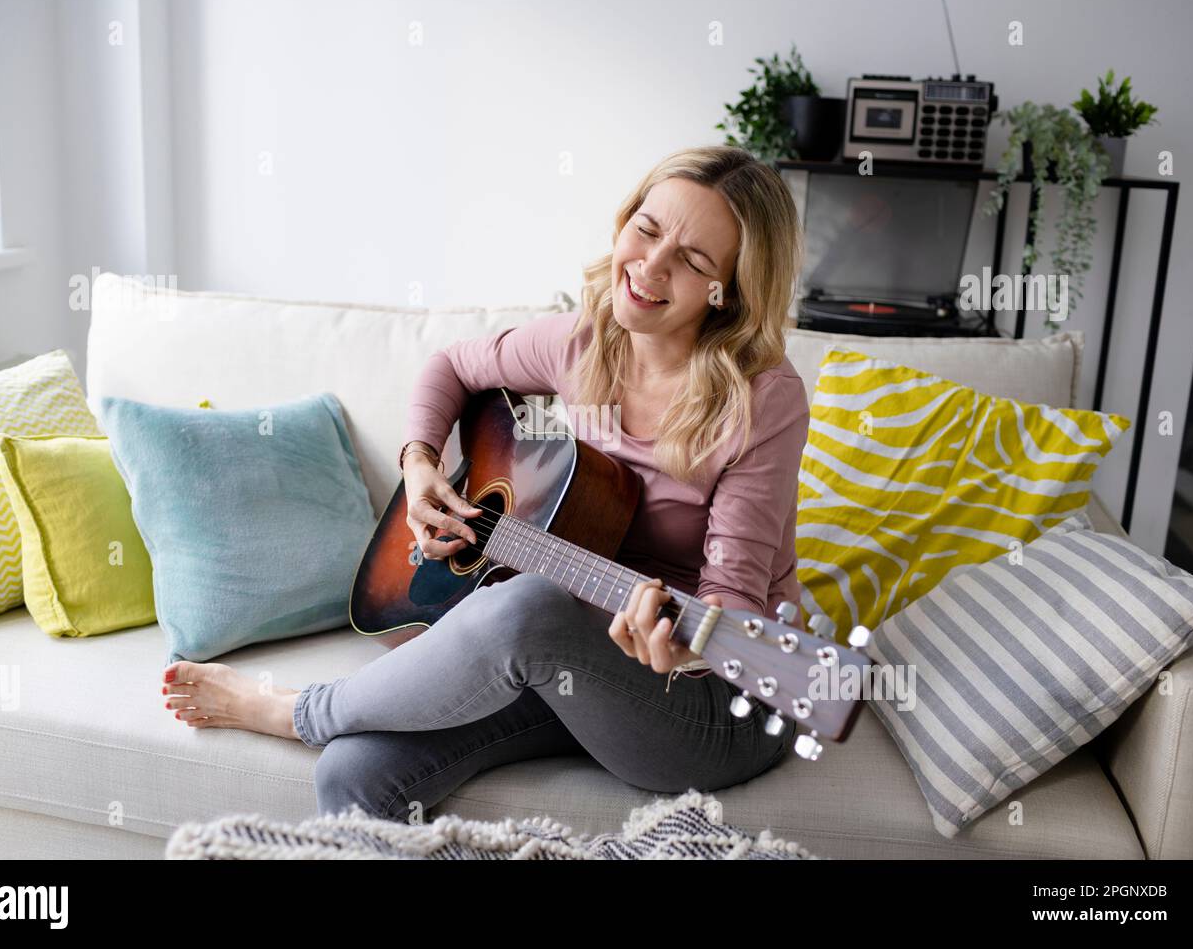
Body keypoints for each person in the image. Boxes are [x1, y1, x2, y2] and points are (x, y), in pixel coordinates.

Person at [159, 145, 811, 822]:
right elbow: (452, 367)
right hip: (572, 663)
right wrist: (420, 467)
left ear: (729, 290)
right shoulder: (583, 344)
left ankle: (298, 711)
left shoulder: (762, 400)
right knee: (352, 777)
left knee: (528, 607)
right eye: (646, 230)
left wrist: (681, 649)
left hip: (717, 705)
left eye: (694, 261)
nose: (650, 265)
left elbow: (732, 603)